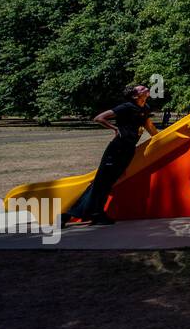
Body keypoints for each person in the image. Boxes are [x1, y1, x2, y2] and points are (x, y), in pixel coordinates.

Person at [62, 85, 157, 227]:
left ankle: (94, 215)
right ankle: (70, 215)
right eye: (141, 89)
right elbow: (99, 118)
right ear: (135, 96)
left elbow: (149, 127)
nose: (145, 89)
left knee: (106, 184)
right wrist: (115, 128)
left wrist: (162, 137)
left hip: (128, 150)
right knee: (101, 184)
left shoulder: (145, 108)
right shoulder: (125, 107)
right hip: (116, 149)